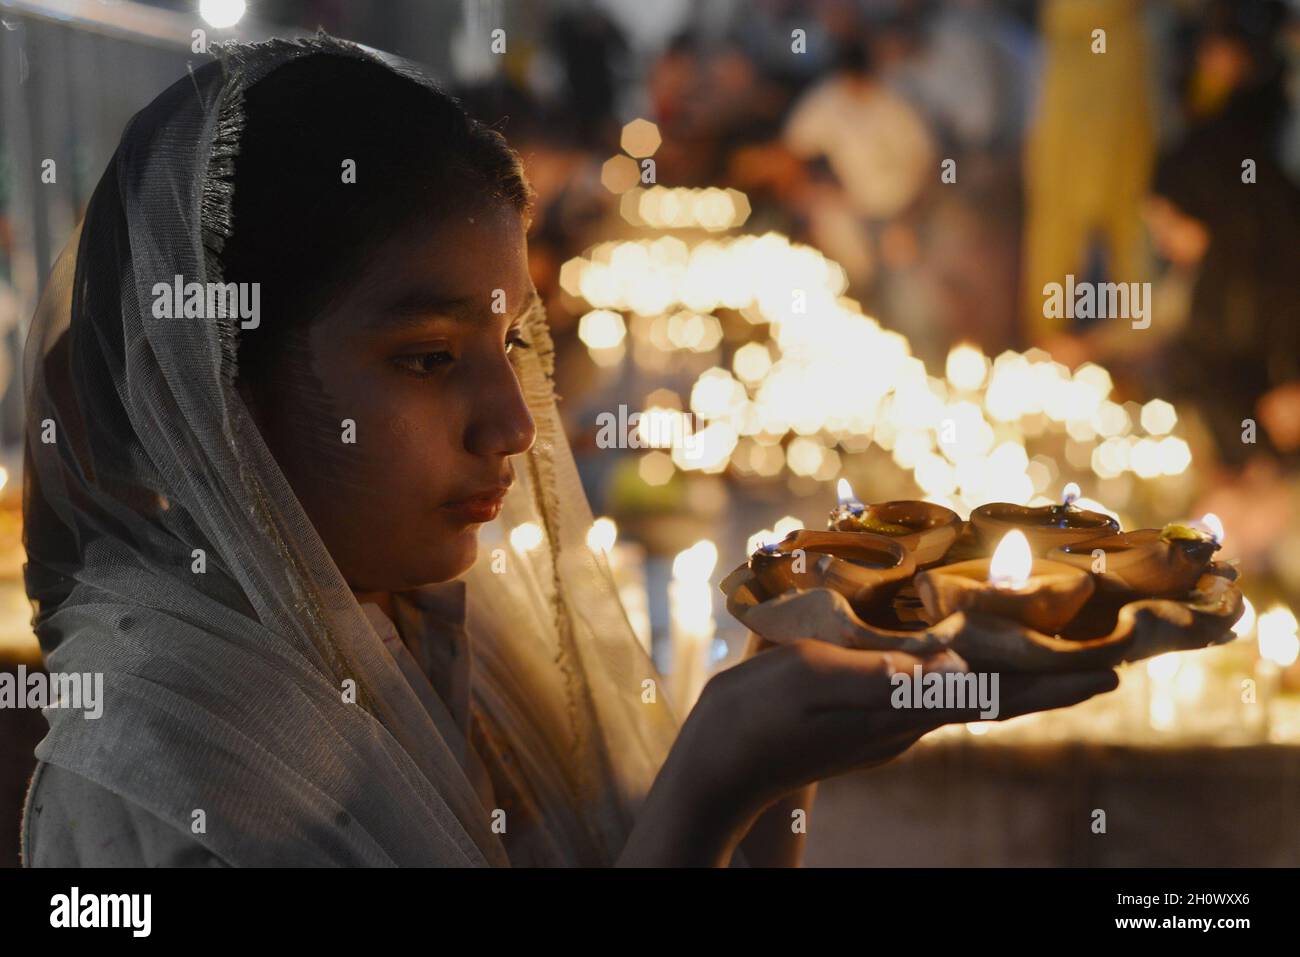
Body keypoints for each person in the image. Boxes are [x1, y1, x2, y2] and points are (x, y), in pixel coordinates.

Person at [20, 34, 1116, 868]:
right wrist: (710, 786)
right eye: (426, 358)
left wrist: (777, 769)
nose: (513, 423)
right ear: (215, 388)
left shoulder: (425, 633)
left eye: (508, 342)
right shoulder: (168, 775)